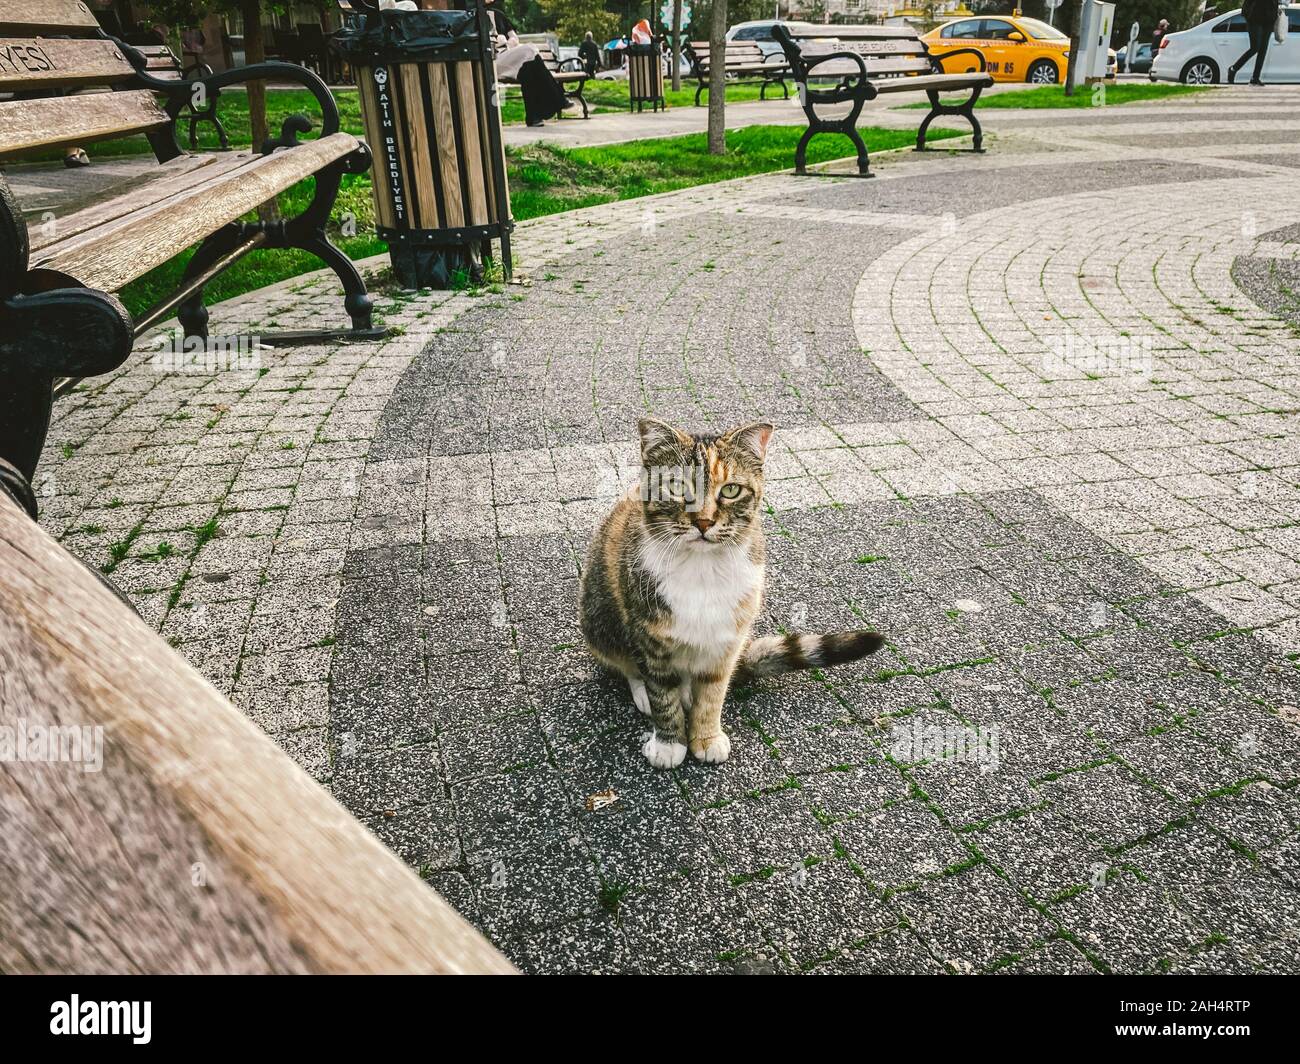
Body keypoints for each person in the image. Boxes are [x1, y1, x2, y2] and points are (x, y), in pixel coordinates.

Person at [484, 0, 571, 126]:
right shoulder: (474, 17)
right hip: (493, 60)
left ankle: (533, 117)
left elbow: (514, 38)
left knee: (528, 69)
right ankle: (559, 99)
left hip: (509, 55)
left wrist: (507, 43)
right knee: (530, 49)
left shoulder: (498, 14)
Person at [1230, 0, 1280, 84]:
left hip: (1269, 18)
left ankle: (1255, 78)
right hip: (1254, 17)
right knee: (1255, 47)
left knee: (1263, 49)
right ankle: (1233, 69)